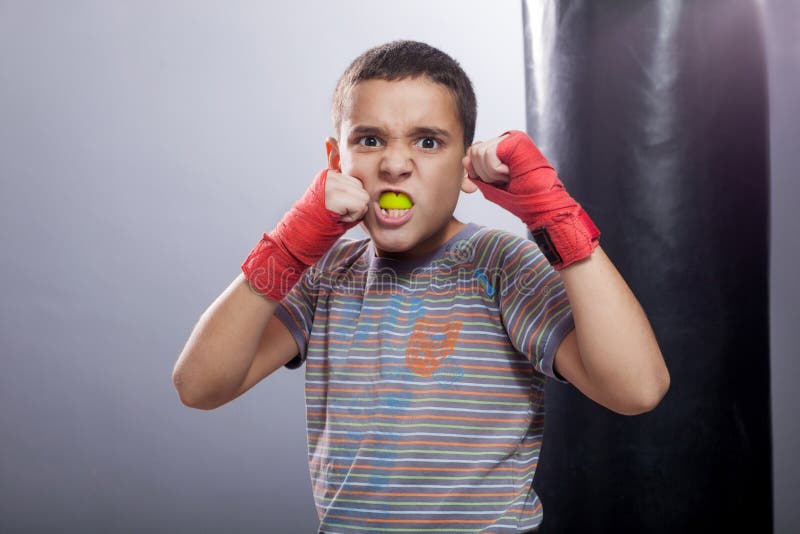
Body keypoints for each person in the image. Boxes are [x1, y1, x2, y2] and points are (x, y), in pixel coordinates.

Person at [172, 40, 670, 533]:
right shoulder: (324, 274)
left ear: (465, 166)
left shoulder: (501, 265)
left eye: (427, 142)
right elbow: (198, 386)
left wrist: (556, 219)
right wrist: (284, 249)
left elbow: (638, 390)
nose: (395, 165)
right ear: (335, 160)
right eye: (370, 140)